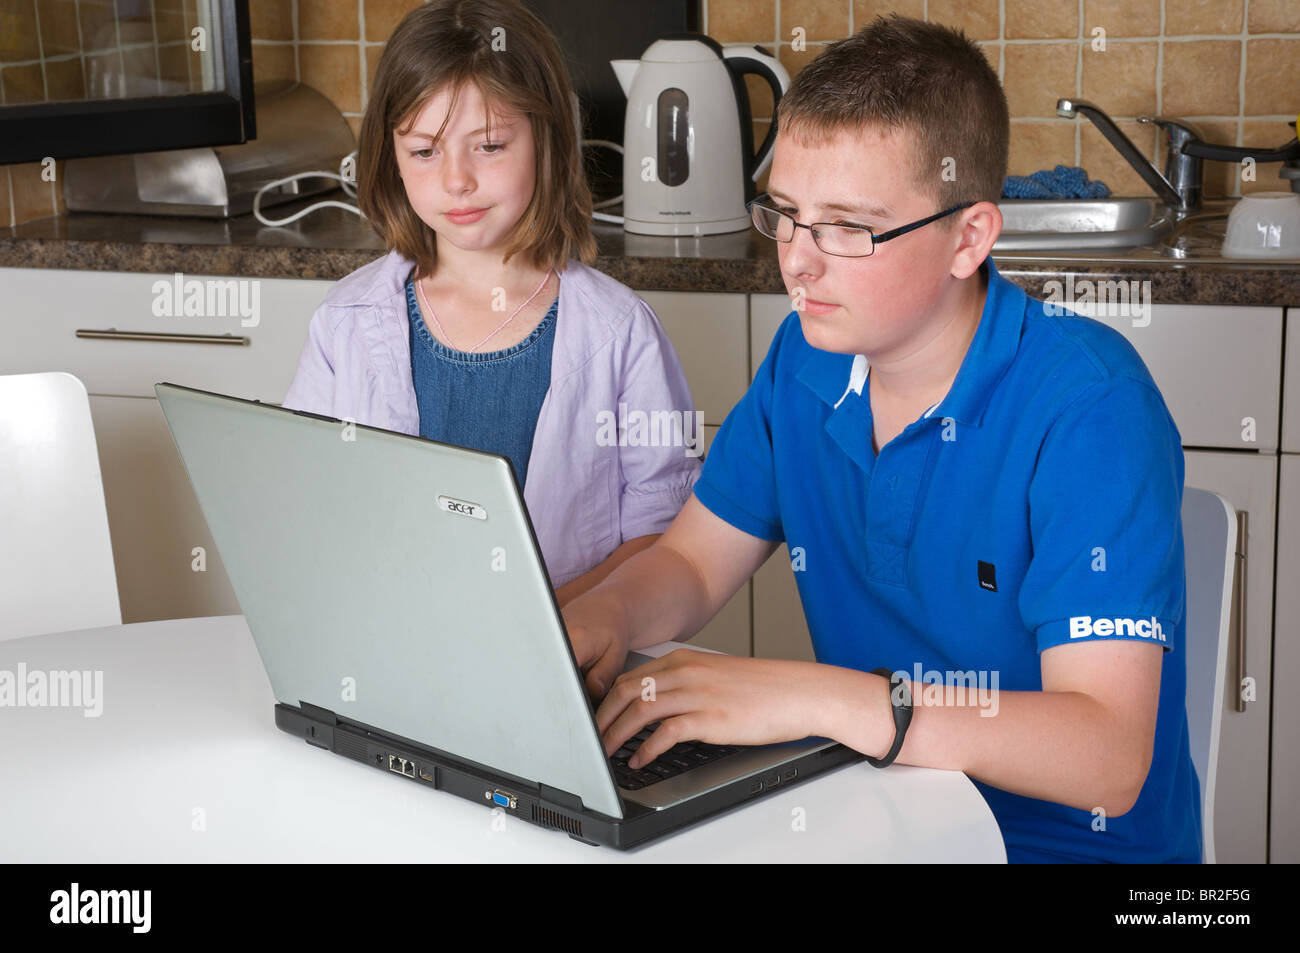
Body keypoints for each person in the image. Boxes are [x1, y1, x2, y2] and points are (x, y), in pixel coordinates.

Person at [561, 14, 1202, 863]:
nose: (797, 261)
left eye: (847, 228)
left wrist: (819, 699)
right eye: (785, 214)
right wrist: (597, 618)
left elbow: (1109, 754)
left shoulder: (1090, 407)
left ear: (968, 238)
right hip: (879, 826)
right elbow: (689, 563)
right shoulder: (807, 359)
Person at [282, 0, 700, 606]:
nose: (457, 181)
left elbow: (666, 536)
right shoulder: (342, 325)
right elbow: (303, 504)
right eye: (424, 151)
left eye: (490, 145)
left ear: (546, 139)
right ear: (390, 157)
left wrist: (542, 624)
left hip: (572, 667)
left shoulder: (622, 333)